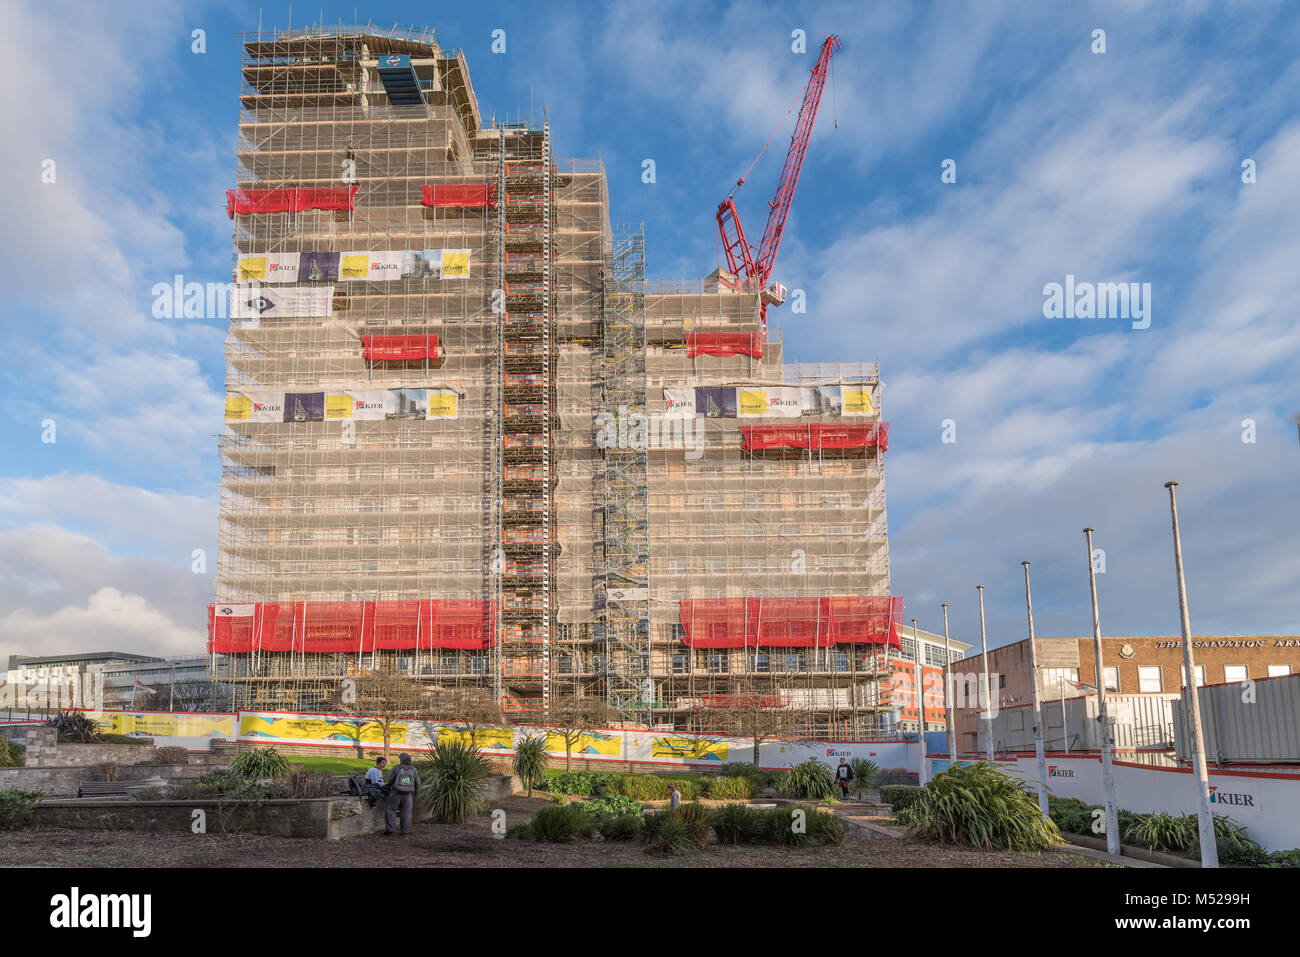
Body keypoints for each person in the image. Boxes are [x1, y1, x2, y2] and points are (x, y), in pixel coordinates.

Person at [384, 753, 420, 835]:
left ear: (401, 760)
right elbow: (417, 783)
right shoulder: (414, 770)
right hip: (408, 795)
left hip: (395, 792)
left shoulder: (396, 768)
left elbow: (389, 779)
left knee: (391, 810)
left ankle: (390, 830)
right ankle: (405, 831)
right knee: (406, 813)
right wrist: (416, 793)